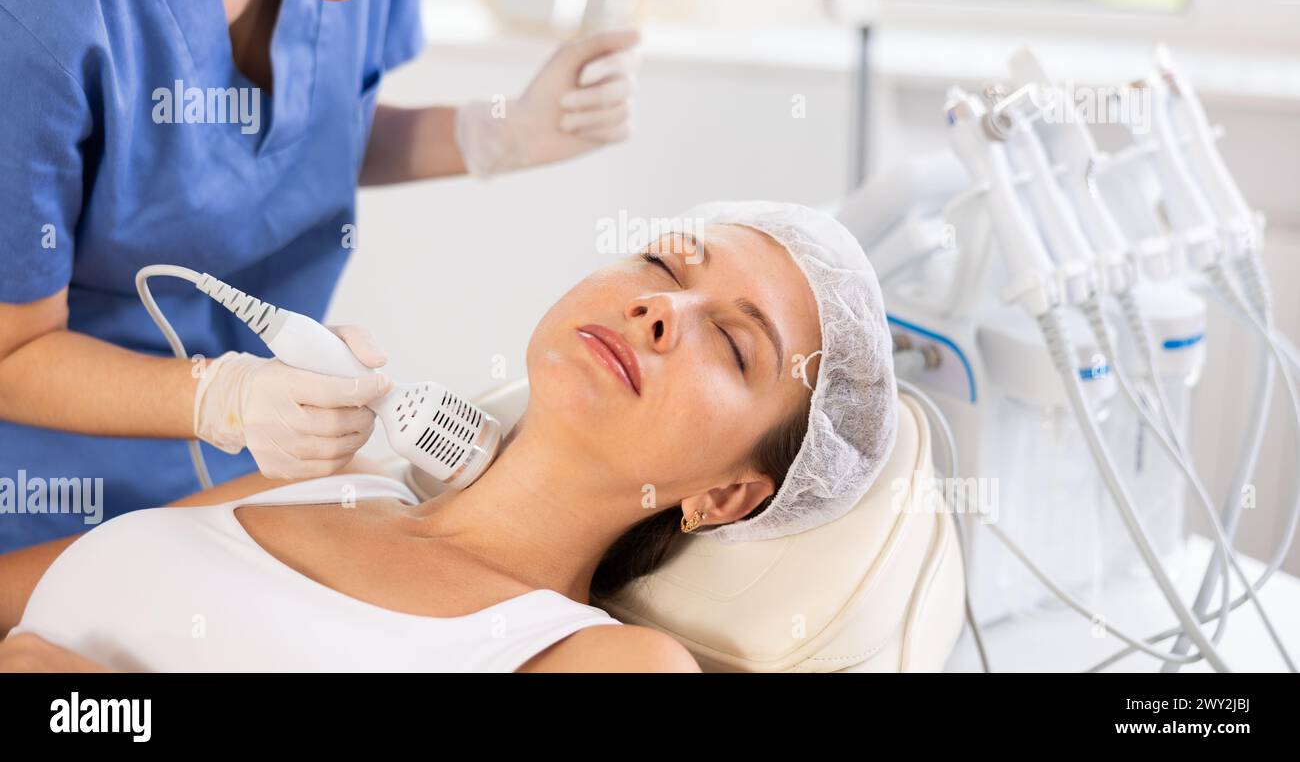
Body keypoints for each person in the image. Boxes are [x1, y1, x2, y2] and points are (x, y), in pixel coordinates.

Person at [0, 0, 640, 554]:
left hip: (245, 480)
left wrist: (494, 135)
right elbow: (12, 353)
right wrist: (222, 399)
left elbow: (299, 139)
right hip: (41, 500)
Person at [0, 201, 898, 672]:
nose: (661, 308)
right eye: (663, 263)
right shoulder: (312, 485)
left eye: (734, 344)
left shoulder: (606, 660)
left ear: (729, 496)